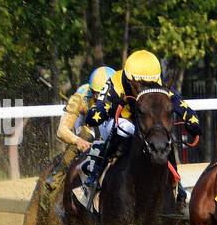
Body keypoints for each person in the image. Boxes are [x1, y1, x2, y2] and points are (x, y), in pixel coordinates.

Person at [76, 50, 201, 210]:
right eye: (138, 82)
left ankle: (178, 190)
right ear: (129, 79)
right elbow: (96, 112)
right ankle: (91, 182)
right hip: (120, 119)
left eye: (147, 82)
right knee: (126, 129)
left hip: (146, 123)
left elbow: (177, 101)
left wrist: (192, 121)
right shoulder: (115, 82)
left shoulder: (159, 83)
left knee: (162, 138)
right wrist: (106, 108)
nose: (142, 85)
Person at [43, 66, 113, 201]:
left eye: (105, 94)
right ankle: (56, 179)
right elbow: (61, 130)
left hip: (107, 128)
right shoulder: (80, 96)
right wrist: (77, 141)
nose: (101, 98)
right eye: (97, 94)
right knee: (84, 135)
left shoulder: (122, 93)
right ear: (91, 91)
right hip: (86, 126)